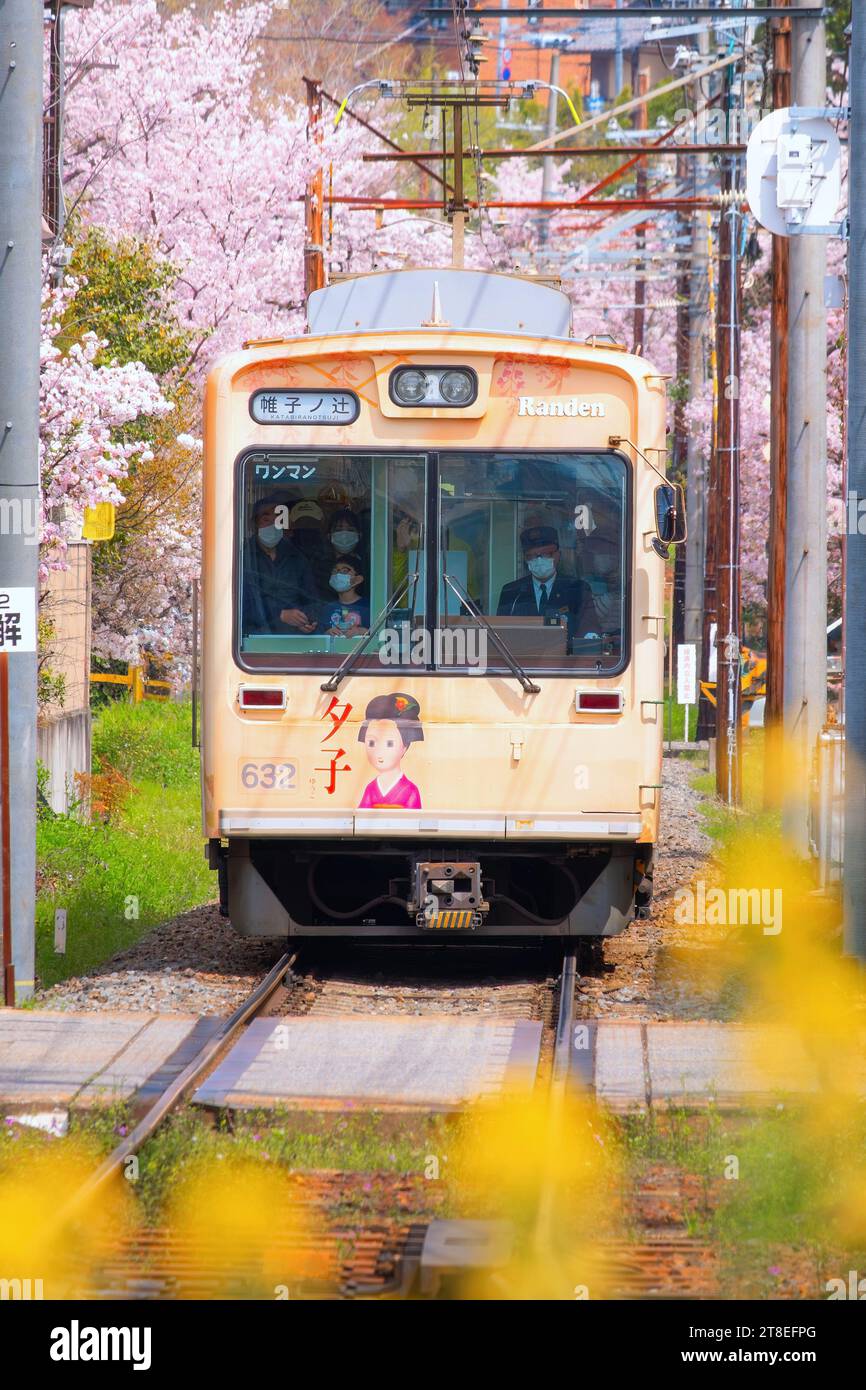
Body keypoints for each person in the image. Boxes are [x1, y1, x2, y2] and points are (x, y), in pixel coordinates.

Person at [496, 525, 599, 635]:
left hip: (565, 651)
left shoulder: (577, 589)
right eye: (532, 556)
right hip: (520, 652)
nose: (539, 560)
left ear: (558, 555)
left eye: (546, 554)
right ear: (525, 559)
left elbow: (589, 634)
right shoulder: (512, 592)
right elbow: (500, 635)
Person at [242, 495, 318, 634]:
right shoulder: (244, 557)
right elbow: (242, 602)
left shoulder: (296, 557)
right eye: (266, 520)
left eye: (277, 520)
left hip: (293, 639)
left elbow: (311, 598)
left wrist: (307, 620)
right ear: (254, 525)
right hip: (254, 640)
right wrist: (280, 614)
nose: (272, 525)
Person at [357, 692, 424, 809]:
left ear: (404, 747)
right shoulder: (371, 789)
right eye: (371, 742)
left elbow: (412, 823)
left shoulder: (410, 791)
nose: (379, 751)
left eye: (389, 743)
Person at [320, 554, 370, 637]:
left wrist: (362, 631)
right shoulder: (327, 608)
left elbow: (379, 634)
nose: (338, 575)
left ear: (358, 579)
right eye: (335, 571)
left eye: (344, 571)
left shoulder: (369, 607)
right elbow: (319, 638)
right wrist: (327, 634)